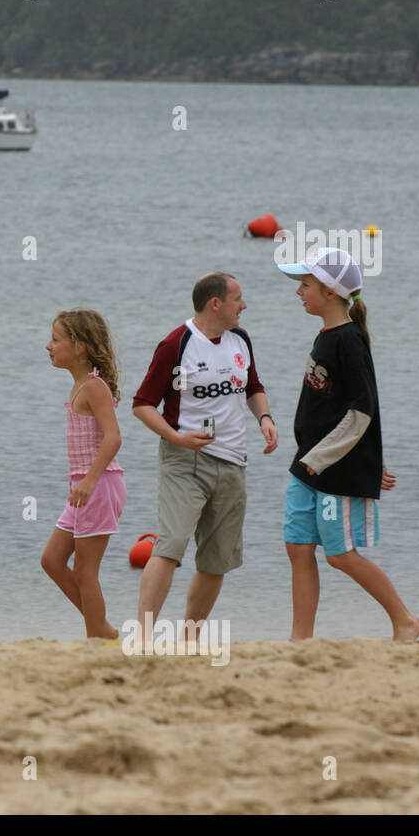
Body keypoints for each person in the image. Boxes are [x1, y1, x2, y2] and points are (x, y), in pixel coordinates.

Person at [274, 248, 419, 641]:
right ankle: (299, 640)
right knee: (297, 548)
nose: (299, 292)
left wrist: (329, 460)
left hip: (332, 472)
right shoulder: (326, 335)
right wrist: (311, 461)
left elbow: (362, 410)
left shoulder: (350, 340)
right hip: (306, 467)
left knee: (340, 555)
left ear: (330, 292)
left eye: (305, 285)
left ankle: (404, 620)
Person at [130, 272, 280, 643]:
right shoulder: (176, 344)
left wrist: (265, 418)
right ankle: (144, 638)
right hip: (185, 462)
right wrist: (175, 438)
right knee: (170, 546)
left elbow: (254, 386)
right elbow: (142, 405)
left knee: (216, 561)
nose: (243, 306)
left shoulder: (240, 340)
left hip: (233, 462)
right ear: (216, 303)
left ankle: (188, 641)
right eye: (238, 299)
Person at [40, 309, 127, 639]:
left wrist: (89, 480)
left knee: (85, 571)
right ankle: (101, 627)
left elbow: (113, 437)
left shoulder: (93, 386)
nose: (48, 346)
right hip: (83, 487)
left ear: (79, 347)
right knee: (51, 560)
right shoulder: (80, 385)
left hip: (98, 485)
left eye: (56, 340)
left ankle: (95, 638)